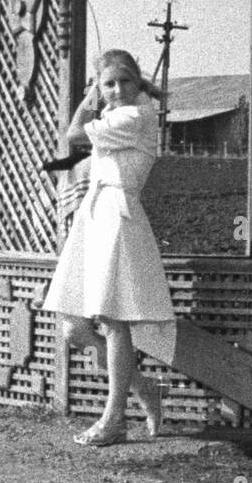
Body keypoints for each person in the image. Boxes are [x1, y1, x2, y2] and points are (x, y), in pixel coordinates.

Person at [41, 49, 172, 446]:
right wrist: (96, 94)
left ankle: (114, 420)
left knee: (114, 322)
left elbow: (74, 133)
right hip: (94, 216)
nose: (117, 90)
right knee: (74, 327)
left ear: (138, 82)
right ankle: (145, 389)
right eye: (108, 83)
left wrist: (90, 97)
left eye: (124, 81)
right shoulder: (117, 116)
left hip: (118, 217)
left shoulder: (136, 115)